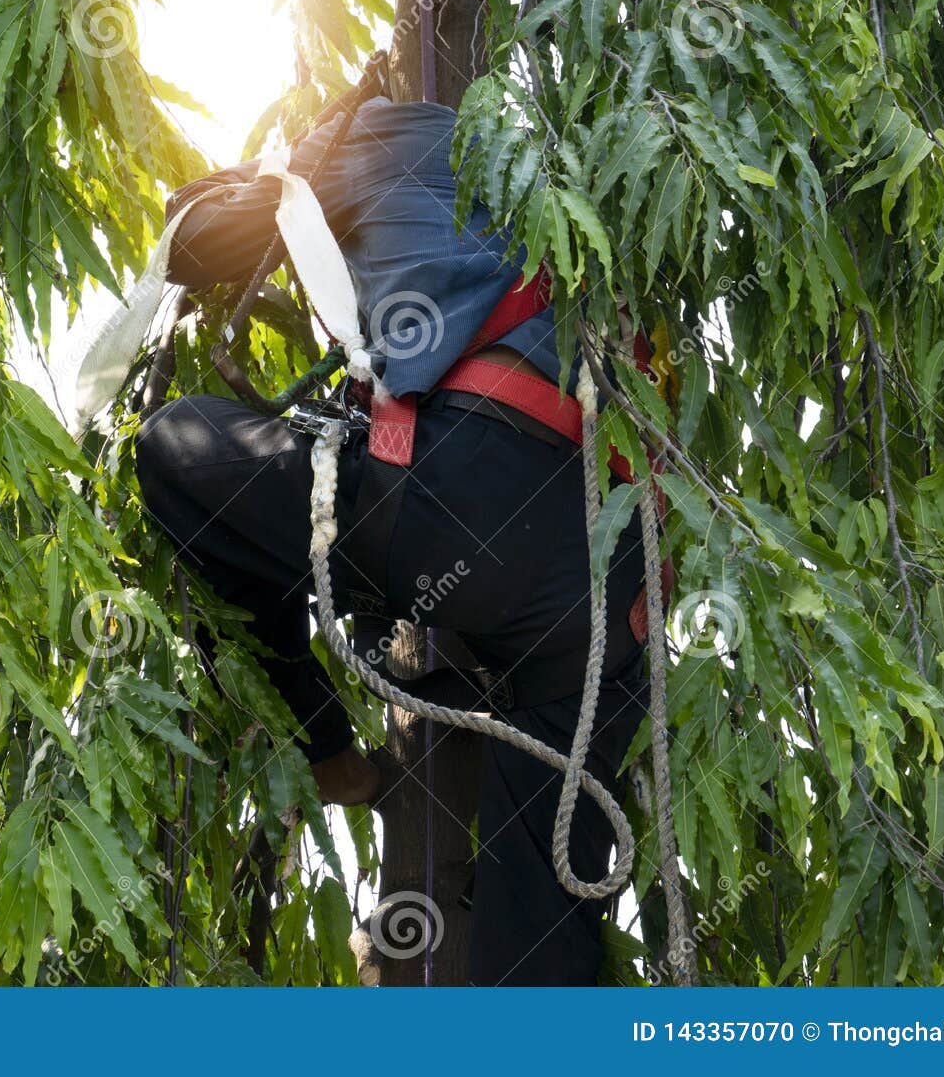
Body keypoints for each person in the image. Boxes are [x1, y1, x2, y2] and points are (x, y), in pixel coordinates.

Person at [133, 95, 653, 985]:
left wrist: (280, 165)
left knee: (176, 446)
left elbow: (193, 239)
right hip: (610, 591)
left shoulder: (373, 130)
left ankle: (332, 753)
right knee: (542, 938)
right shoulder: (563, 215)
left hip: (469, 490)